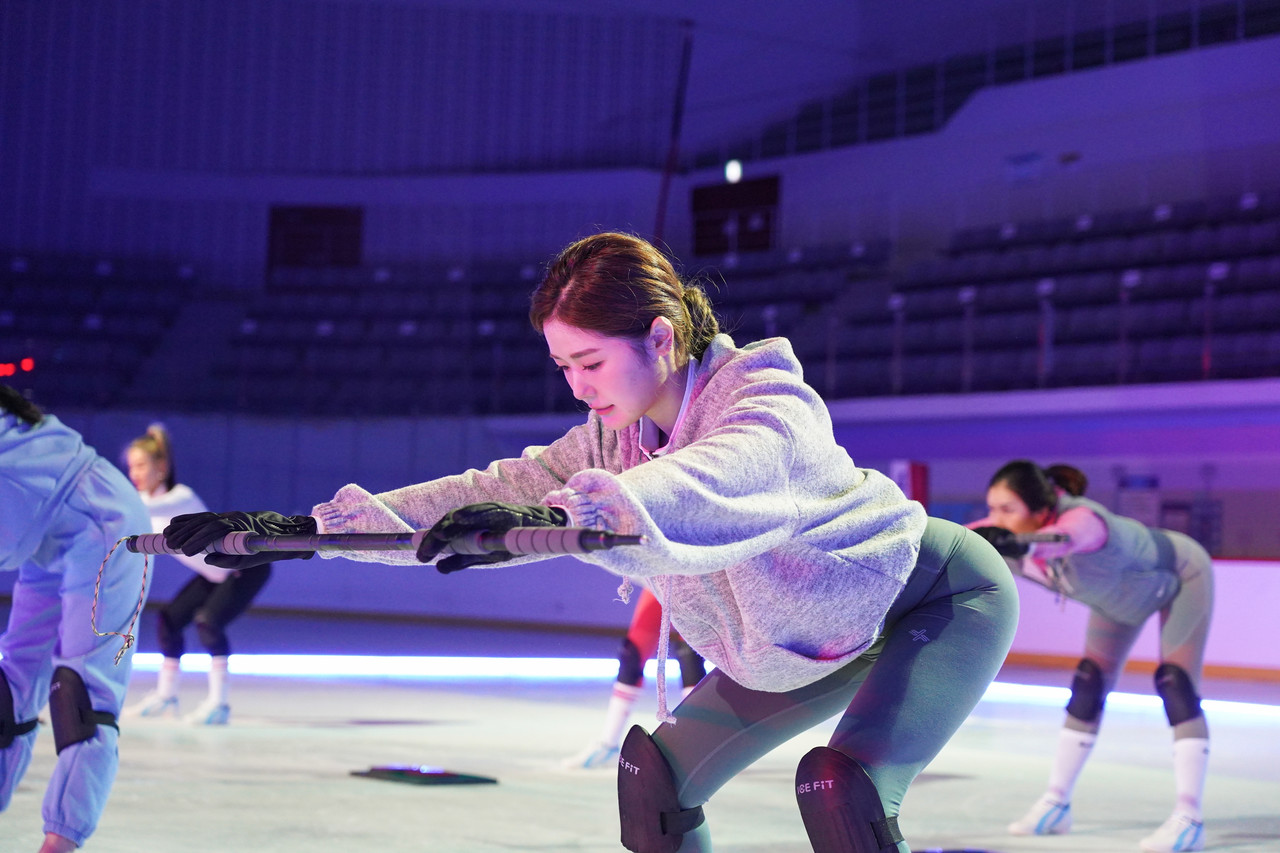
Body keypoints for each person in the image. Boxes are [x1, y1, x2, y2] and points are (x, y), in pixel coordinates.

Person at [164, 232, 1019, 853]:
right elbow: (485, 491)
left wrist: (585, 514)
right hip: (803, 641)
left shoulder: (763, 399)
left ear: (659, 336)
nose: (576, 385)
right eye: (562, 366)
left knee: (842, 791)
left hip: (934, 596)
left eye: (590, 362)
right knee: (654, 782)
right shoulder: (604, 441)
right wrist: (305, 533)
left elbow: (717, 474)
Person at [971, 460, 1214, 853]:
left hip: (1180, 575)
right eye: (992, 508)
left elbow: (1066, 539)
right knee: (1087, 684)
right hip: (1116, 599)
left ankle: (1190, 818)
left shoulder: (1085, 519)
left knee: (1176, 685)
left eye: (1006, 509)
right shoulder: (1008, 532)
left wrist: (1020, 544)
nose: (995, 519)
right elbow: (954, 542)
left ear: (1039, 510)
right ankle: (1056, 802)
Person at [0, 385, 152, 853]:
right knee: (10, 688)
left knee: (80, 696)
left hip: (104, 525)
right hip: (46, 539)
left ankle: (59, 844)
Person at [122, 424, 272, 726]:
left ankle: (219, 705)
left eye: (140, 465)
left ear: (161, 467)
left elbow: (143, 507)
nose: (133, 474)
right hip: (214, 573)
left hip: (245, 566)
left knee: (208, 622)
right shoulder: (143, 507)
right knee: (169, 621)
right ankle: (167, 697)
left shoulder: (180, 497)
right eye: (130, 467)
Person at [561, 587, 706, 770]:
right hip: (663, 575)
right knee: (633, 653)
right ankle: (609, 744)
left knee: (690, 653)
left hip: (697, 576)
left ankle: (701, 747)